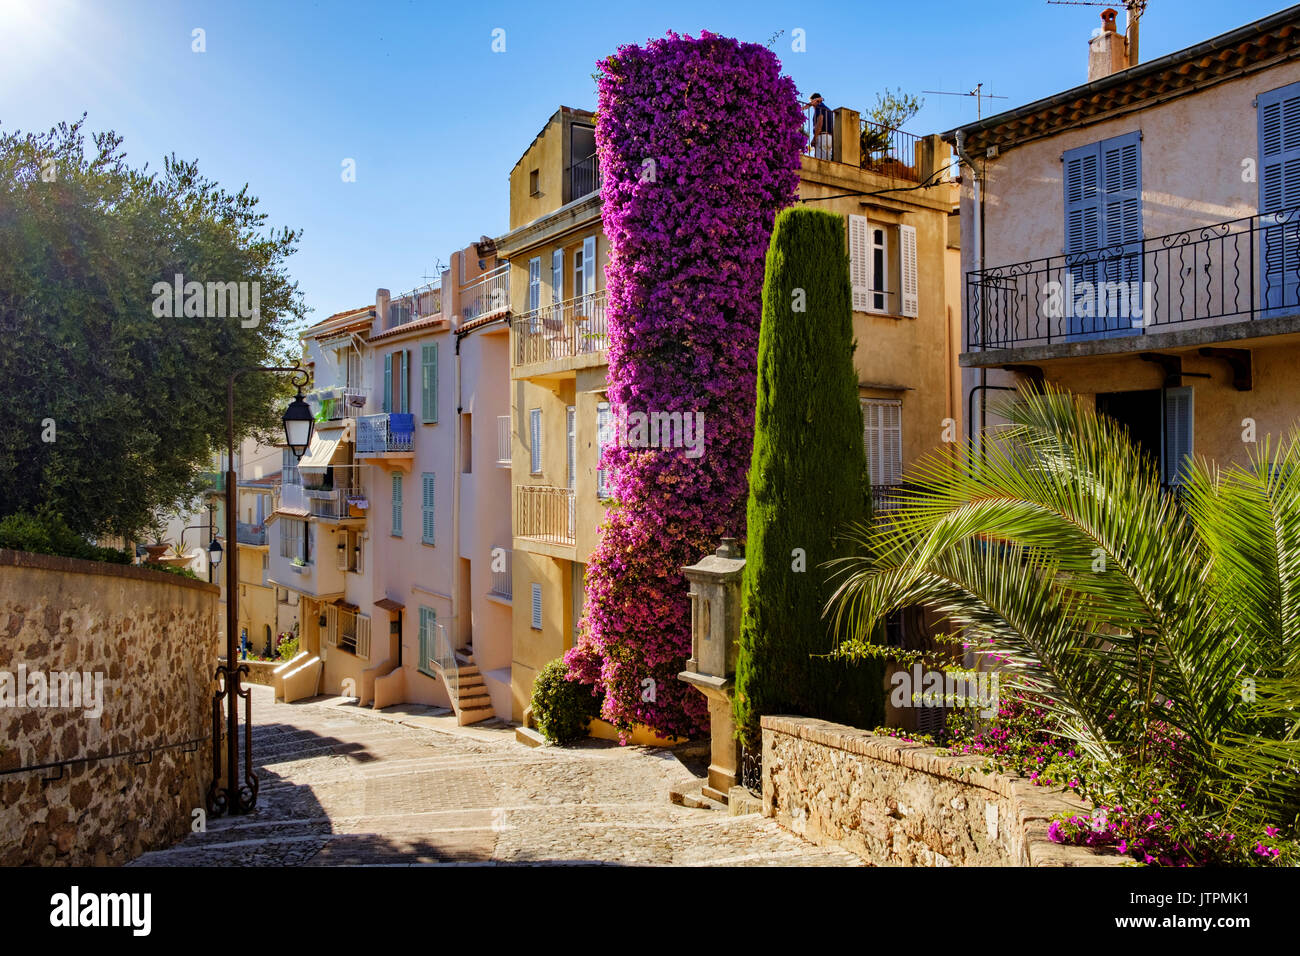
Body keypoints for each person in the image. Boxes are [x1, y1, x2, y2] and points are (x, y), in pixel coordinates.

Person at [804, 93, 833, 160]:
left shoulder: (819, 108)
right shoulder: (828, 110)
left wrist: (814, 139)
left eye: (811, 103)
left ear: (815, 101)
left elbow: (819, 125)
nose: (812, 106)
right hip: (829, 138)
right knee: (827, 161)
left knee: (820, 162)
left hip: (822, 137)